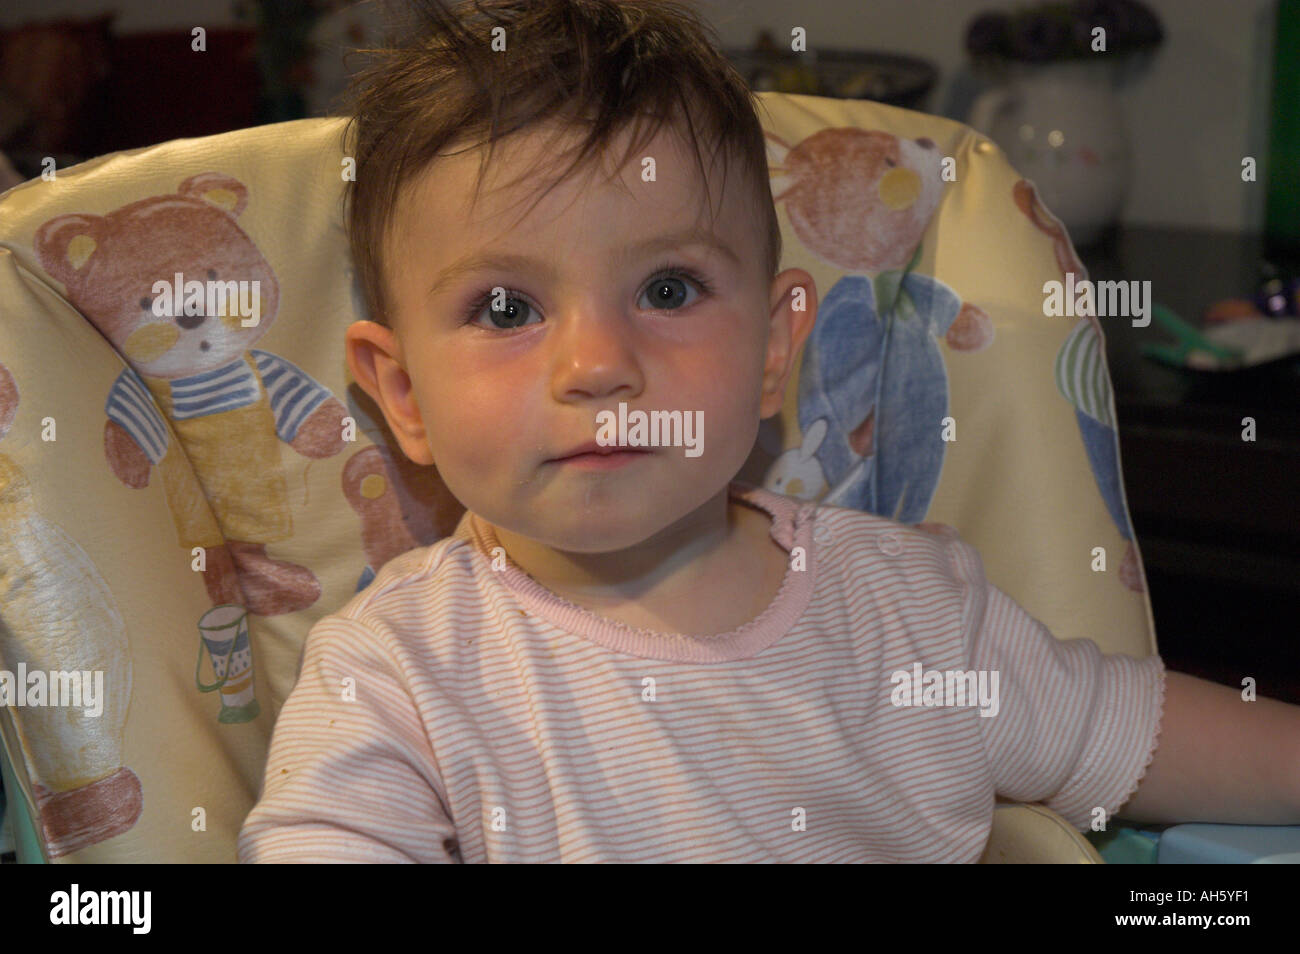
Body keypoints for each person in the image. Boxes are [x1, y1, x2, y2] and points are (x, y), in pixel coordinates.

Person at [237, 0, 1300, 862]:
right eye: (506, 309)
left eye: (666, 286)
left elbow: (1135, 735)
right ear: (403, 394)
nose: (597, 365)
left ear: (774, 348)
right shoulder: (394, 680)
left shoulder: (912, 616)